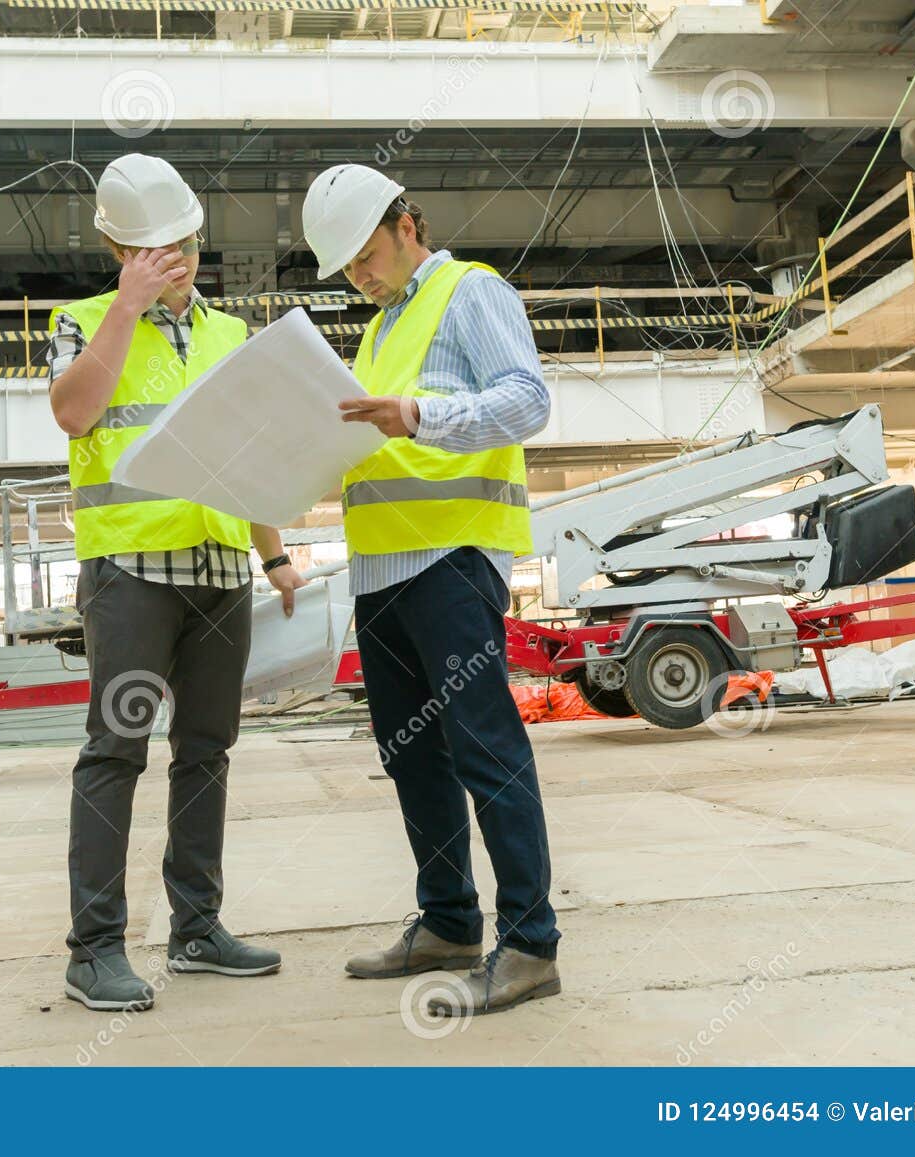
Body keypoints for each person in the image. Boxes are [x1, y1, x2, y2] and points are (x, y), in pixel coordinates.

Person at [48, 153, 306, 1013]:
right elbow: (75, 412)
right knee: (114, 751)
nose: (178, 259)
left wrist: (272, 556)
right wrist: (126, 307)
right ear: (119, 247)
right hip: (130, 573)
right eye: (157, 247)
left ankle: (197, 929)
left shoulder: (233, 335)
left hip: (219, 573)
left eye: (187, 242)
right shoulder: (81, 319)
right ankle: (95, 949)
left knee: (205, 752)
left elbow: (250, 456)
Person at [302, 163, 561, 1016]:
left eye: (367, 255)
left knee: (485, 746)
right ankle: (449, 919)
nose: (360, 276)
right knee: (411, 756)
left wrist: (420, 416)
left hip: (451, 557)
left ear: (406, 224)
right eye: (347, 268)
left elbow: (526, 401)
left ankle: (528, 942)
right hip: (381, 571)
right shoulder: (377, 332)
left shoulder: (468, 291)